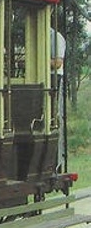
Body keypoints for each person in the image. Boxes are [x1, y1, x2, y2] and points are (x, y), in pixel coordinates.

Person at [50, 27, 66, 172]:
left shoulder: (56, 37)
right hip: (42, 78)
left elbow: (58, 63)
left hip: (54, 79)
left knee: (55, 118)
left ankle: (56, 161)